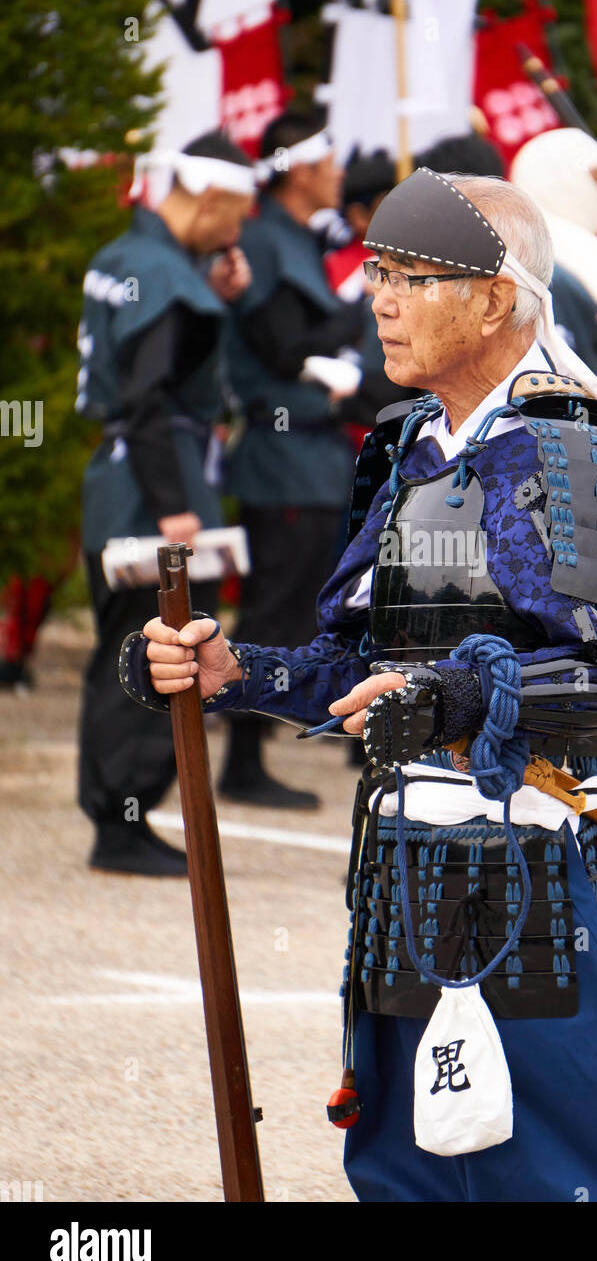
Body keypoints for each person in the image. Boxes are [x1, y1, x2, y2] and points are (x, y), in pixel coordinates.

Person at [123, 170, 597, 1201]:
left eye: (409, 276)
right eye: (376, 271)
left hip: (533, 867)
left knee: (580, 1177)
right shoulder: (403, 446)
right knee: (407, 1176)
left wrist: (452, 697)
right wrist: (230, 669)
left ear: (492, 296)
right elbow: (353, 665)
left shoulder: (581, 448)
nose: (377, 297)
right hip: (396, 872)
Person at [76, 131, 256, 875]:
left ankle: (114, 816)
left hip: (115, 482)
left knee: (120, 650)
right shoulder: (163, 274)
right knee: (153, 654)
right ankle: (121, 821)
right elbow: (149, 398)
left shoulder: (127, 258)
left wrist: (205, 296)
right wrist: (175, 509)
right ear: (208, 196)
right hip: (156, 486)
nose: (238, 231)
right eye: (235, 213)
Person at [219, 108, 368, 808]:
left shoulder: (294, 240)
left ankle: (252, 752)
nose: (340, 171)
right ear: (300, 167)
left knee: (294, 606)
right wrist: (360, 298)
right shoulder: (265, 240)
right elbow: (283, 350)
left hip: (310, 455)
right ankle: (241, 762)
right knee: (273, 608)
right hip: (284, 457)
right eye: (330, 158)